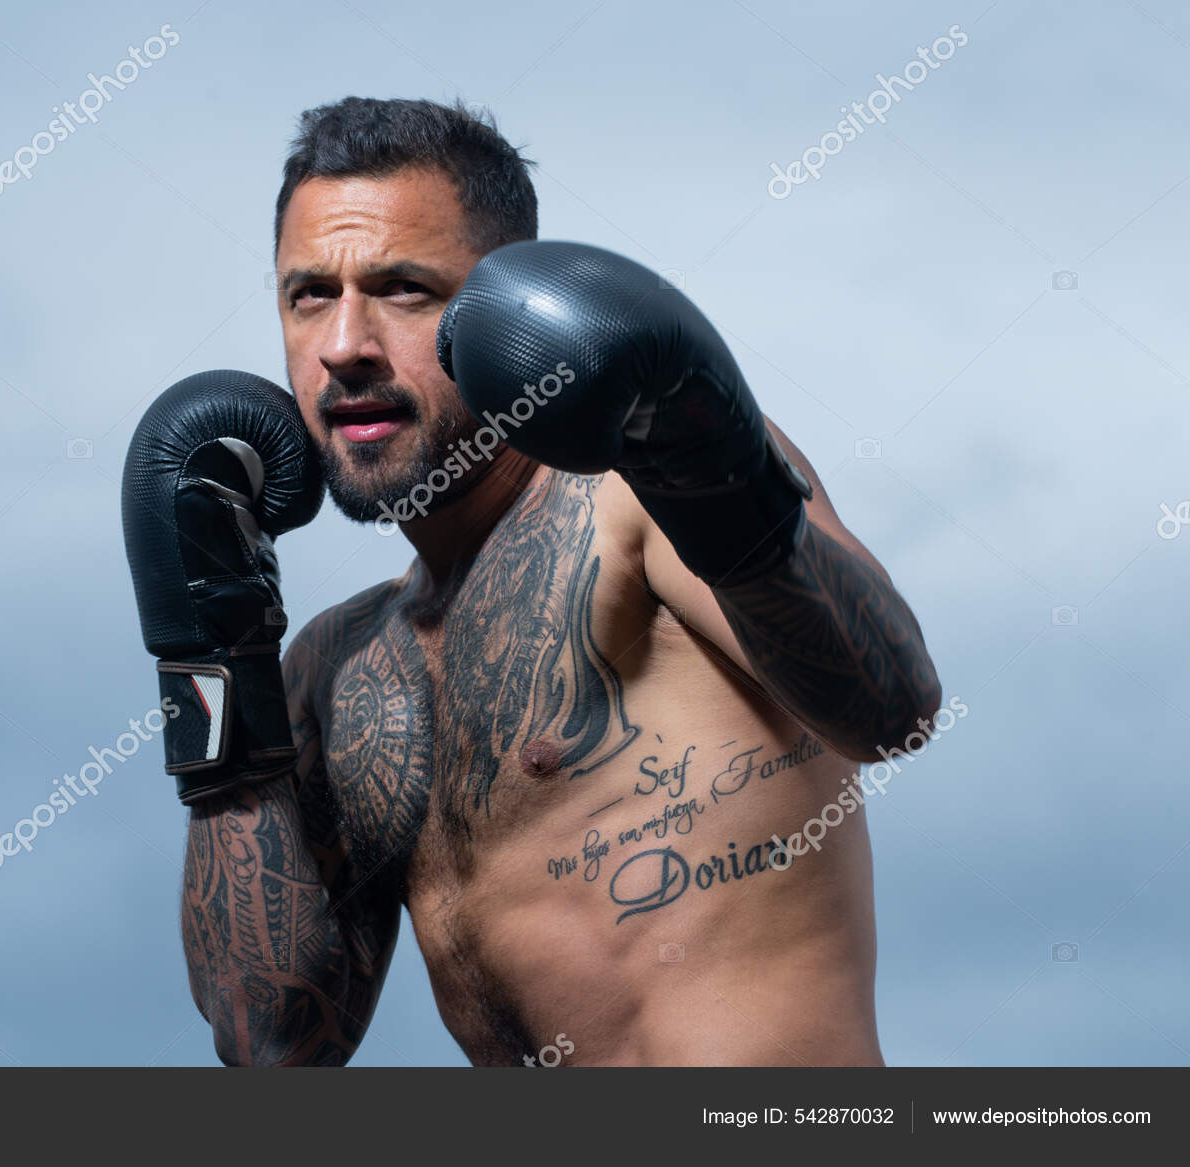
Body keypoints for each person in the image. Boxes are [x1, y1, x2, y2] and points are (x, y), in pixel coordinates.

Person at [123, 97, 942, 1066]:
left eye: (402, 289)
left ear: (504, 309)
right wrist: (213, 653)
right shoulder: (337, 671)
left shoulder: (644, 500)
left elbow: (893, 710)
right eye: (310, 295)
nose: (344, 344)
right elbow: (272, 1042)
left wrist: (715, 463)